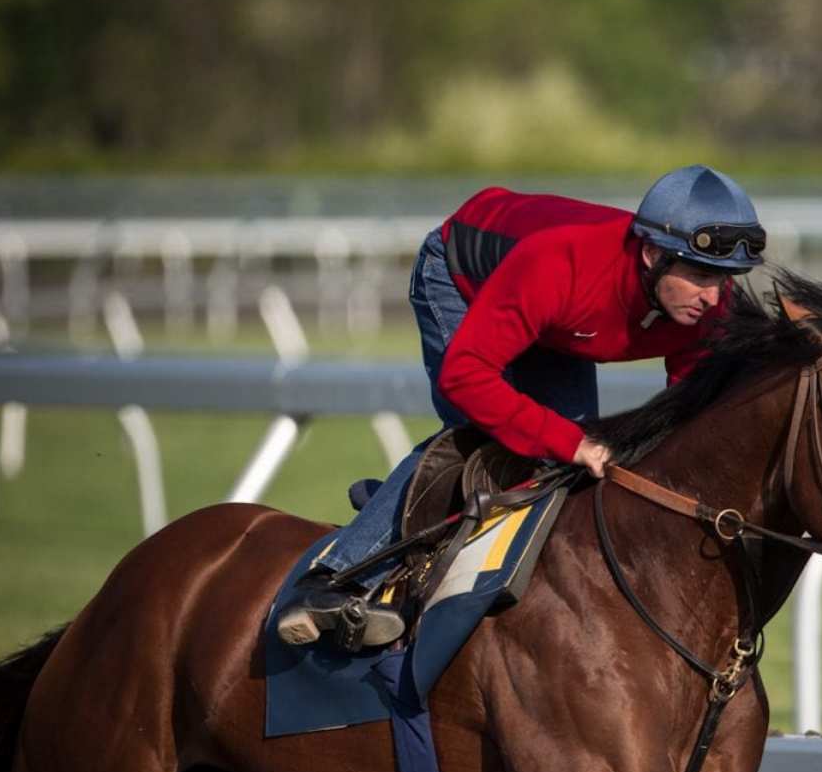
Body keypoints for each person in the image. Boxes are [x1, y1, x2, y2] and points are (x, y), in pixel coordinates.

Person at [276, 164, 766, 647]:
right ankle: (333, 580)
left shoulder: (708, 308)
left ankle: (418, 511)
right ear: (653, 254)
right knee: (483, 437)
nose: (713, 296)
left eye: (725, 279)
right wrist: (570, 440)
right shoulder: (562, 265)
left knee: (564, 470)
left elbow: (686, 416)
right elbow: (466, 377)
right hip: (462, 277)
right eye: (701, 275)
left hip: (558, 323)